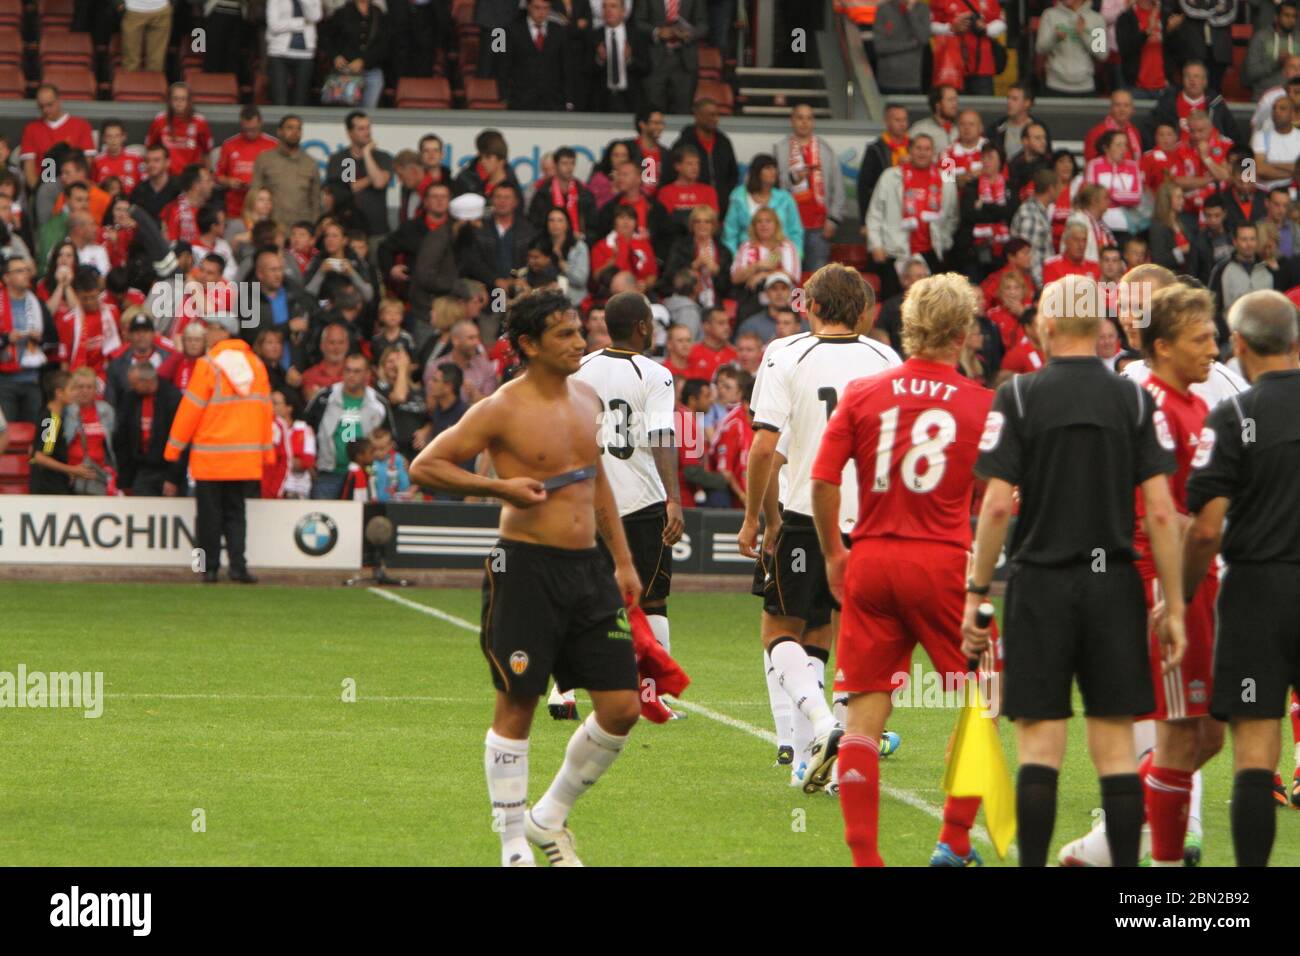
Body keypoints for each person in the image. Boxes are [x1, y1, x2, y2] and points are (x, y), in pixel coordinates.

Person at [408, 287, 644, 868]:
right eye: (564, 334)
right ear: (528, 346)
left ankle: (549, 816)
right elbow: (426, 465)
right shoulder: (501, 408)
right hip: (524, 569)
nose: (579, 342)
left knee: (622, 707)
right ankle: (513, 845)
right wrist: (498, 487)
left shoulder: (589, 397)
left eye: (578, 331)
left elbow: (598, 481)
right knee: (518, 702)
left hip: (589, 570)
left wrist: (622, 558)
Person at [962, 273, 1185, 867]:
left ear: (1048, 325)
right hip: (1115, 583)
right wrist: (1176, 604)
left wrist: (976, 592)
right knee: (1115, 748)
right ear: (1102, 328)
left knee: (1040, 748)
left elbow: (996, 505)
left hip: (1040, 584)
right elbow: (1162, 513)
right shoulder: (1136, 397)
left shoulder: (1020, 395)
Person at [809, 271, 996, 867]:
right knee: (982, 696)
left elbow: (821, 479)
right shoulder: (982, 405)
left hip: (871, 559)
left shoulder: (865, 392)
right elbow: (1002, 497)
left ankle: (867, 859)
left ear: (908, 327)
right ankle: (954, 841)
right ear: (964, 332)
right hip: (942, 562)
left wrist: (835, 553)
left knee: (864, 712)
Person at [740, 263, 902, 789]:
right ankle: (830, 758)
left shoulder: (786, 354)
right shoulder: (886, 357)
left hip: (811, 514)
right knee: (837, 631)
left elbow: (765, 446)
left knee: (779, 629)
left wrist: (756, 520)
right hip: (873, 518)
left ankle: (822, 724)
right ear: (862, 310)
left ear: (809, 306)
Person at [1183, 289, 1300, 866]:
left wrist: (1177, 598)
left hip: (1257, 593)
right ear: (1296, 342)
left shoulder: (1233, 417)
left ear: (1238, 344)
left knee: (1256, 747)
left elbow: (1204, 530)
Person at [573, 290, 683, 665]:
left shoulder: (581, 367)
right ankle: (655, 691)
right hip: (641, 501)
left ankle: (563, 691)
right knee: (652, 597)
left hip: (588, 501)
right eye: (650, 322)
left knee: (585, 595)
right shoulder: (655, 374)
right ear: (641, 327)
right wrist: (675, 500)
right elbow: (662, 436)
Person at [165, 313, 273, 582]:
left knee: (208, 518)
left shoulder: (208, 365)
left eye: (211, 329)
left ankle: (207, 568)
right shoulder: (256, 365)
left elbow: (190, 410)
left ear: (224, 332)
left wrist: (173, 449)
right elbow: (265, 410)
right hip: (244, 458)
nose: (206, 334)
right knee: (236, 514)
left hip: (210, 457)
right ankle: (238, 567)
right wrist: (266, 451)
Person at [866, 135, 957, 291]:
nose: (922, 153)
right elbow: (875, 214)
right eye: (918, 148)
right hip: (895, 251)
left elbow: (952, 216)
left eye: (927, 149)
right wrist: (876, 245)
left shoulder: (946, 179)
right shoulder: (890, 176)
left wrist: (944, 241)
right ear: (909, 151)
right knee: (895, 303)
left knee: (929, 304)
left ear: (933, 153)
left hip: (930, 252)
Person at [774, 105, 845, 274]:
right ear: (792, 121)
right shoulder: (781, 149)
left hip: (819, 226)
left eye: (808, 118)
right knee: (789, 273)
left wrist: (833, 219)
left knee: (816, 278)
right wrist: (792, 178)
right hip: (787, 226)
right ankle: (796, 302)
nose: (804, 122)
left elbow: (838, 187)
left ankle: (809, 303)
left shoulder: (825, 150)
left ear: (813, 122)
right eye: (800, 117)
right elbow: (773, 187)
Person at [112, 362, 183, 496]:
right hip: (141, 470)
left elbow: (179, 440)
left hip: (166, 468)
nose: (131, 387)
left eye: (135, 384)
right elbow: (121, 438)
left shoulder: (172, 397)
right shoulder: (130, 399)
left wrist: (173, 477)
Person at [668, 98, 739, 220]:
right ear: (697, 116)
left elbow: (733, 173)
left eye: (717, 115)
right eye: (711, 115)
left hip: (723, 210)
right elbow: (670, 174)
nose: (716, 118)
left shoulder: (724, 142)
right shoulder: (683, 143)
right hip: (690, 208)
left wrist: (725, 196)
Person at [249, 116, 321, 233]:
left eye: (298, 129)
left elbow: (316, 201)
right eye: (290, 128)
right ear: (279, 131)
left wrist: (314, 229)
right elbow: (254, 195)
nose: (295, 132)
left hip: (301, 231)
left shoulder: (310, 164)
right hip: (272, 229)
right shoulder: (265, 159)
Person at [503, 0, 575, 111]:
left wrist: (568, 99)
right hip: (521, 101)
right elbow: (504, 67)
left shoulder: (559, 31)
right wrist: (505, 96)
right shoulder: (512, 30)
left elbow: (566, 67)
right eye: (537, 7)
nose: (541, 12)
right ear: (528, 7)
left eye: (546, 8)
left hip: (553, 101)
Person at [636, 0, 704, 115]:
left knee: (683, 110)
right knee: (653, 110)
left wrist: (689, 33)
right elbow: (638, 22)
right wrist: (657, 32)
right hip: (655, 62)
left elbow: (703, 25)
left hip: (684, 63)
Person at [1036, 0, 1107, 96]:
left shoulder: (1096, 18)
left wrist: (1083, 35)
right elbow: (1040, 48)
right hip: (1055, 84)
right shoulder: (1049, 15)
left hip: (1085, 85)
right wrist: (1055, 38)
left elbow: (1102, 55)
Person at [589, 0, 650, 113]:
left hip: (631, 99)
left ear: (623, 11)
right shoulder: (593, 36)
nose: (608, 10)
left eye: (613, 6)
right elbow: (585, 70)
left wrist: (629, 60)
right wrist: (599, 60)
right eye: (604, 7)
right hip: (602, 100)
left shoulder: (637, 35)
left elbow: (646, 68)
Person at [857, 104, 911, 225]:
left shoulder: (914, 147)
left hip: (910, 211)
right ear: (886, 121)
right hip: (883, 212)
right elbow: (864, 187)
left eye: (904, 120)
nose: (902, 124)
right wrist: (864, 222)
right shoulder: (875, 149)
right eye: (897, 120)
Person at [267, 0, 323, 106]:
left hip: (305, 53)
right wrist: (302, 22)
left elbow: (316, 17)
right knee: (279, 100)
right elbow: (274, 26)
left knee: (300, 100)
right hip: (279, 52)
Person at [872, 0, 930, 93]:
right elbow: (880, 47)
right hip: (887, 81)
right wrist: (912, 44)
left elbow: (923, 38)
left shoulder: (922, 8)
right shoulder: (883, 9)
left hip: (912, 81)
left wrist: (910, 12)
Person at [909, 85, 958, 154]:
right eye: (950, 100)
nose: (955, 104)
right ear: (938, 105)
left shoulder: (961, 129)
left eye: (955, 100)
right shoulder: (919, 129)